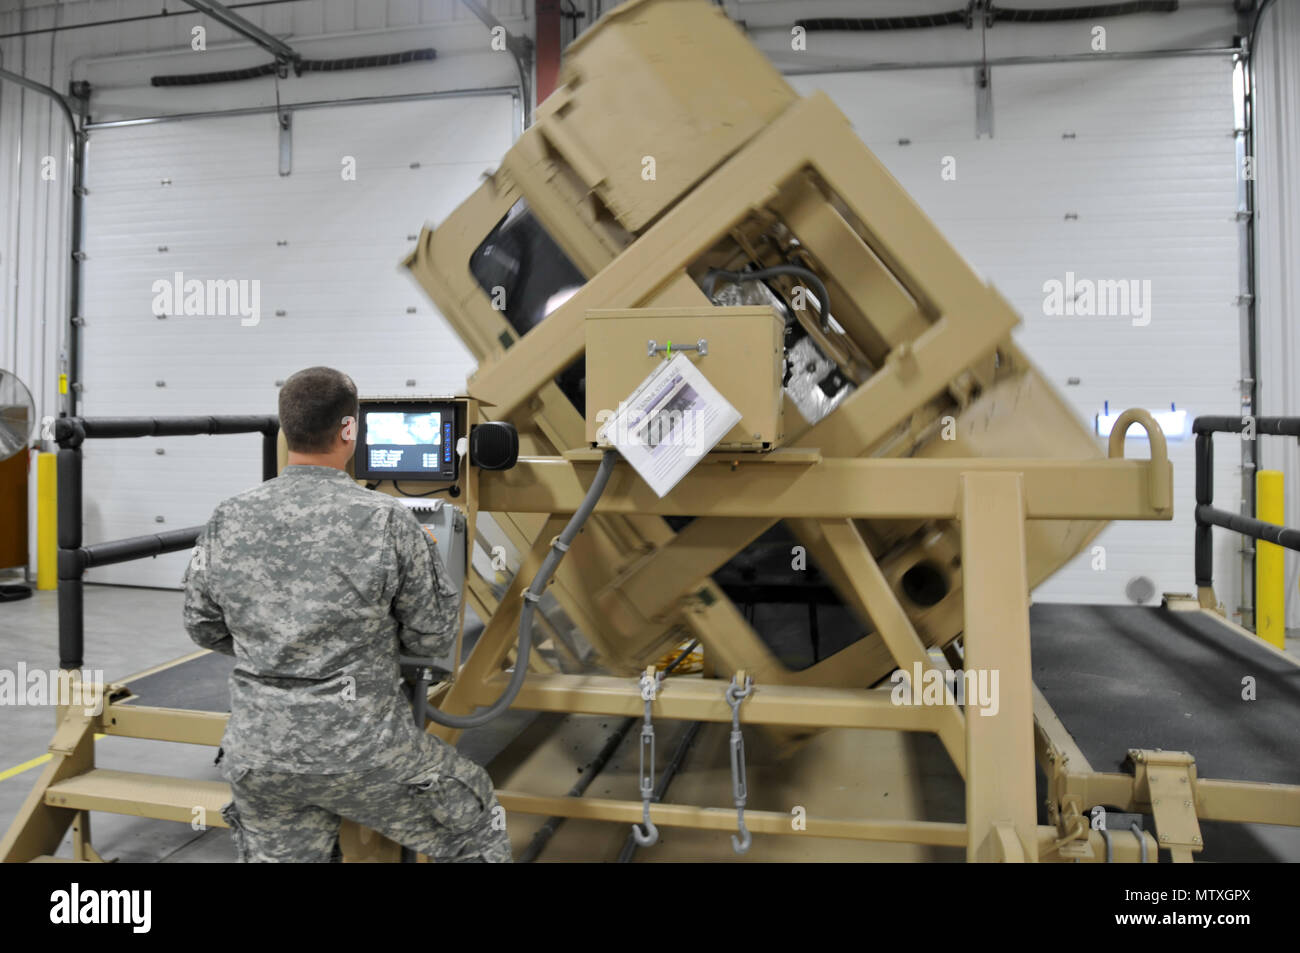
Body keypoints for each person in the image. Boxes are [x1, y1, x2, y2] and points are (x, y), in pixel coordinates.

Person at [182, 366, 511, 863]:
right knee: (475, 817)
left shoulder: (228, 516)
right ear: (349, 430)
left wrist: (273, 644)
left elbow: (202, 624)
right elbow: (432, 636)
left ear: (286, 429)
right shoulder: (389, 520)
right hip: (362, 754)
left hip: (259, 755)